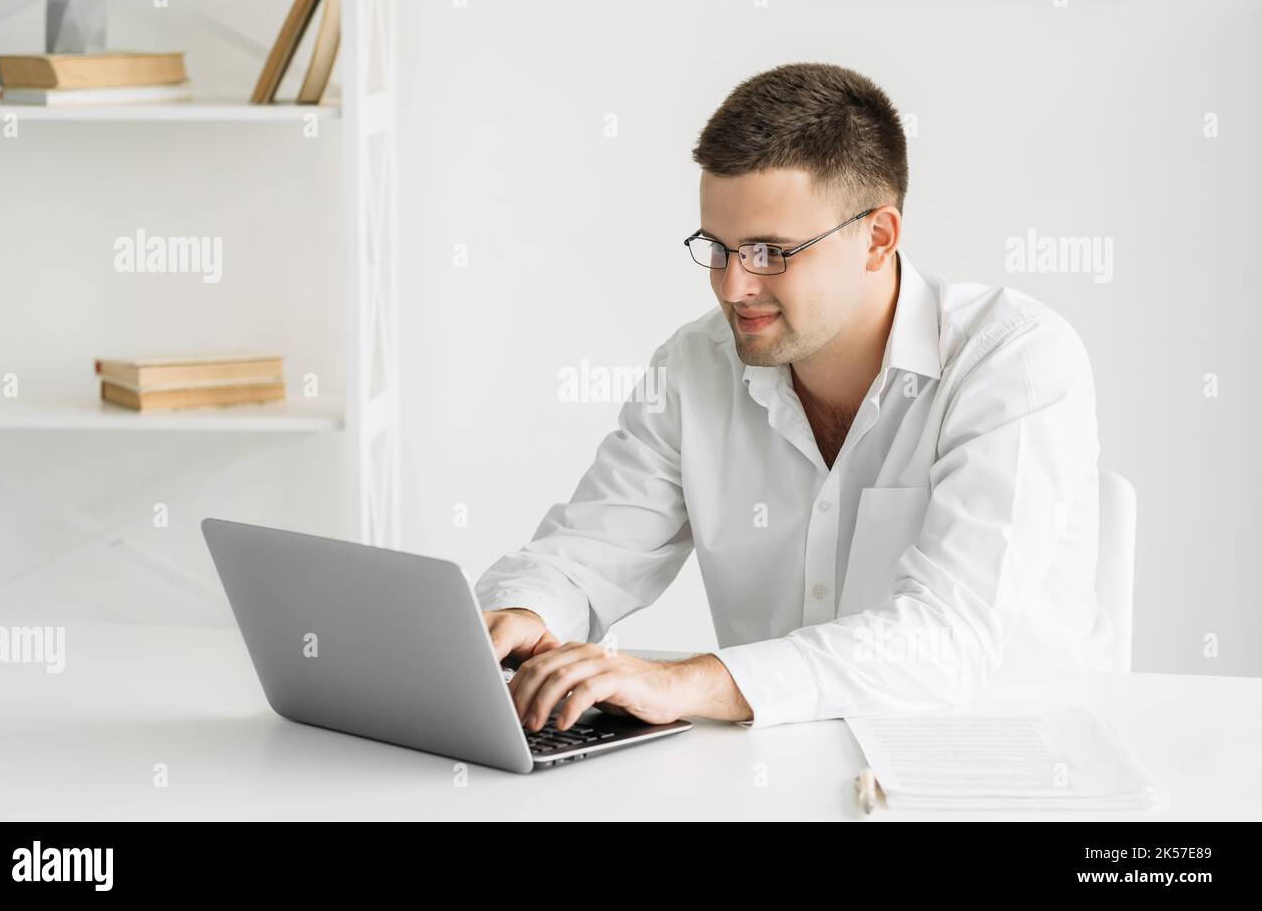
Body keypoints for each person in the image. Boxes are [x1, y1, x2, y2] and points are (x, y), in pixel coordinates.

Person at [476, 63, 1113, 734]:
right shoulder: (697, 367)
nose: (732, 287)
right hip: (775, 769)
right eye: (716, 249)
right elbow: (588, 554)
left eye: (769, 253)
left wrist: (689, 682)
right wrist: (525, 616)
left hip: (998, 769)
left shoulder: (1014, 360)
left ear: (878, 238)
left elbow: (946, 636)